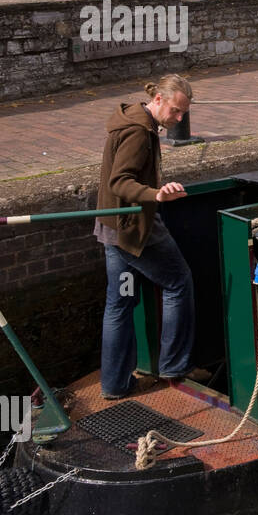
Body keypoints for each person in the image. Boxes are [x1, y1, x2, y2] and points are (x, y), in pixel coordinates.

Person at [96, 74, 204, 399]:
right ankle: (175, 366)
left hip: (112, 228)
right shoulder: (138, 132)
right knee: (178, 282)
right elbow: (119, 180)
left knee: (120, 302)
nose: (179, 118)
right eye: (175, 111)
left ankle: (115, 385)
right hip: (132, 228)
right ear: (158, 100)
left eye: (184, 113)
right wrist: (155, 195)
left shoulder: (133, 119)